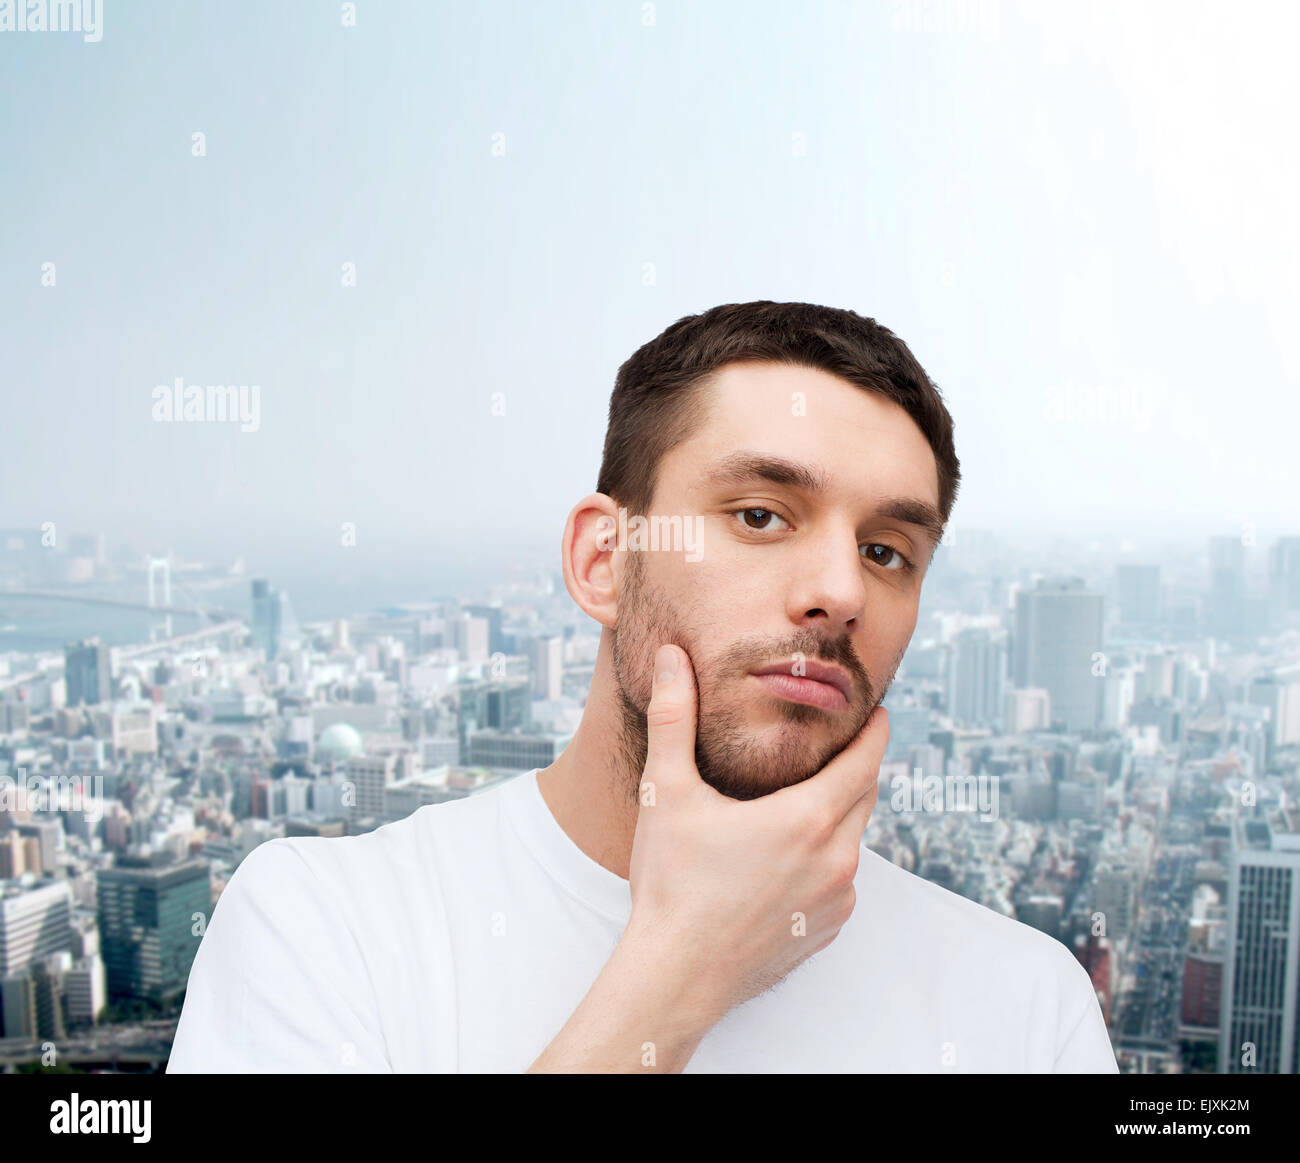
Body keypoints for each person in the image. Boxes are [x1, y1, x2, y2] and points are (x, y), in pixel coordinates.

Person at [167, 301, 1117, 1073]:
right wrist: (682, 968)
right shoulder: (329, 931)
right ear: (604, 559)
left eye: (886, 550)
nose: (840, 591)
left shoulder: (1026, 1008)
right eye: (760, 514)